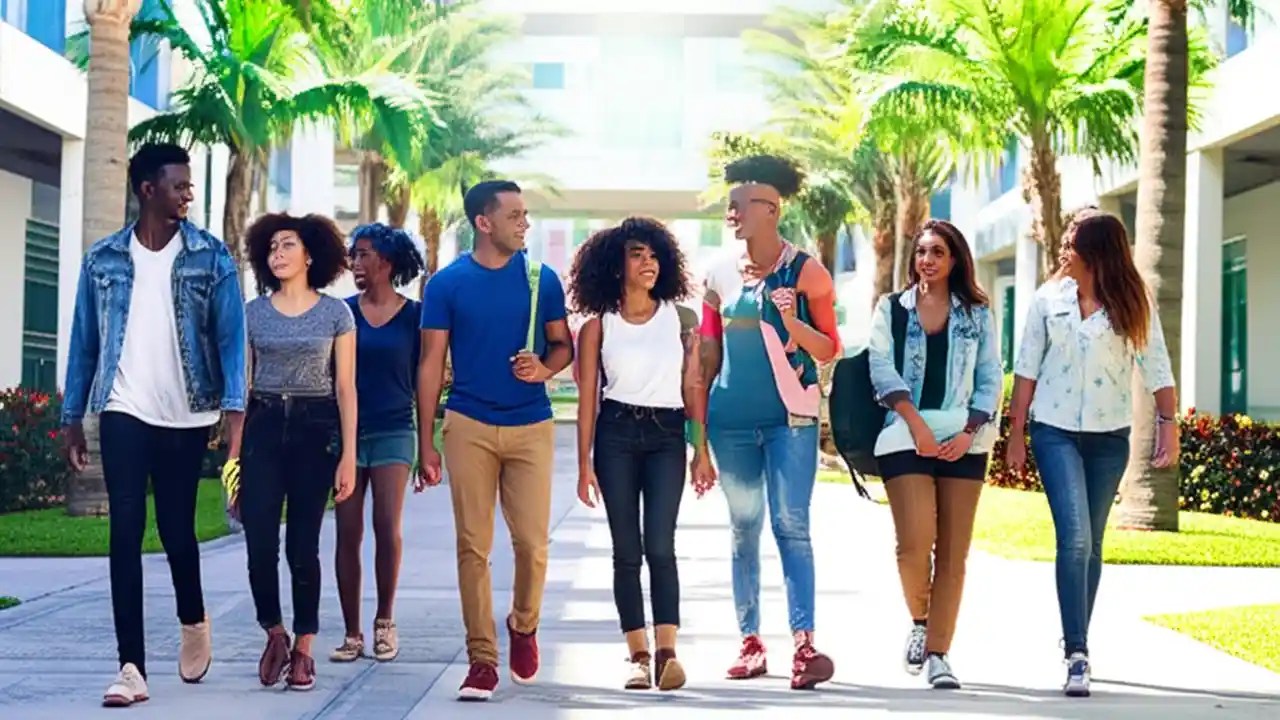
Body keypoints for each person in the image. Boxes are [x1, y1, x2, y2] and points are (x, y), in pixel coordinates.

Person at [61, 143, 244, 707]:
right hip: (124, 407)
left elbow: (232, 341)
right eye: (178, 184)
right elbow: (85, 342)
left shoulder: (211, 258)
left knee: (175, 531)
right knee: (125, 529)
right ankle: (131, 667)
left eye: (189, 184)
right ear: (147, 189)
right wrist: (72, 417)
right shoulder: (103, 260)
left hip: (186, 412)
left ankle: (193, 617)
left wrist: (233, 413)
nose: (188, 193)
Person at [1006, 208, 1178, 698]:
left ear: (1096, 253)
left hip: (1109, 437)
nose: (1064, 249)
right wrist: (1015, 433)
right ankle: (1077, 653)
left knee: (1093, 544)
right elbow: (1026, 368)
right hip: (1054, 430)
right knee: (1075, 537)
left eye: (1072, 243)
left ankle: (1077, 635)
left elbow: (1157, 366)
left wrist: (1168, 427)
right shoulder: (1047, 299)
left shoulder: (1133, 301)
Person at [416, 180, 574, 702]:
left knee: (532, 544)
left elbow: (562, 346)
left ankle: (523, 625)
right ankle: (481, 659)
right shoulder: (446, 284)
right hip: (468, 423)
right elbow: (431, 363)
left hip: (531, 424)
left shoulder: (542, 280)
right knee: (473, 545)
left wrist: (544, 369)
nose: (524, 224)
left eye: (525, 215)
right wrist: (426, 441)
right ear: (483, 223)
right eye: (514, 216)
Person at [698, 155, 842, 690]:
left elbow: (828, 348)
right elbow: (706, 359)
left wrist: (787, 320)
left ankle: (804, 646)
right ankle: (751, 643)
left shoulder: (807, 272)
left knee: (791, 525)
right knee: (744, 529)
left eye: (740, 204)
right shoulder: (716, 273)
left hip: (791, 420)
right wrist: (698, 439)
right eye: (730, 204)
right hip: (729, 423)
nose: (731, 212)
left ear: (771, 209)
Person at [568, 217, 716, 691]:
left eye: (653, 255)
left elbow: (693, 388)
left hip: (666, 435)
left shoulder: (681, 319)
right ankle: (637, 656)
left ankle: (668, 654)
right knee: (626, 551)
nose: (648, 263)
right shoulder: (597, 326)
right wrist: (583, 464)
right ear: (617, 266)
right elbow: (587, 400)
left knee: (660, 546)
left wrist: (701, 450)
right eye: (637, 255)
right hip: (615, 434)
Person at [223, 212, 358, 692]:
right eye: (272, 247)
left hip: (315, 429)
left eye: (287, 246)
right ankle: (275, 634)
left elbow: (345, 388)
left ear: (310, 255)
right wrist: (233, 457)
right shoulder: (253, 313)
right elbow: (241, 388)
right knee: (259, 543)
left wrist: (348, 455)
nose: (277, 254)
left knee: (303, 546)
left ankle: (304, 648)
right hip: (263, 426)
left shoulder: (336, 314)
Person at [867, 219, 1002, 690]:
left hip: (964, 441)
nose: (927, 260)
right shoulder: (892, 309)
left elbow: (990, 376)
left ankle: (939, 654)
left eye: (938, 252)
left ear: (955, 260)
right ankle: (921, 621)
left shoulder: (977, 314)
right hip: (904, 436)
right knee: (913, 544)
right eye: (922, 251)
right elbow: (880, 366)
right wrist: (917, 426)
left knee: (952, 553)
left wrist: (969, 431)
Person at [329, 223, 426, 664]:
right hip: (346, 436)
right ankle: (352, 633)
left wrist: (427, 448)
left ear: (386, 262)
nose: (355, 263)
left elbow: (426, 383)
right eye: (353, 255)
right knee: (347, 531)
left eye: (363, 254)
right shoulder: (342, 314)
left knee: (387, 525)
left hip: (394, 431)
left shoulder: (416, 316)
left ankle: (385, 621)